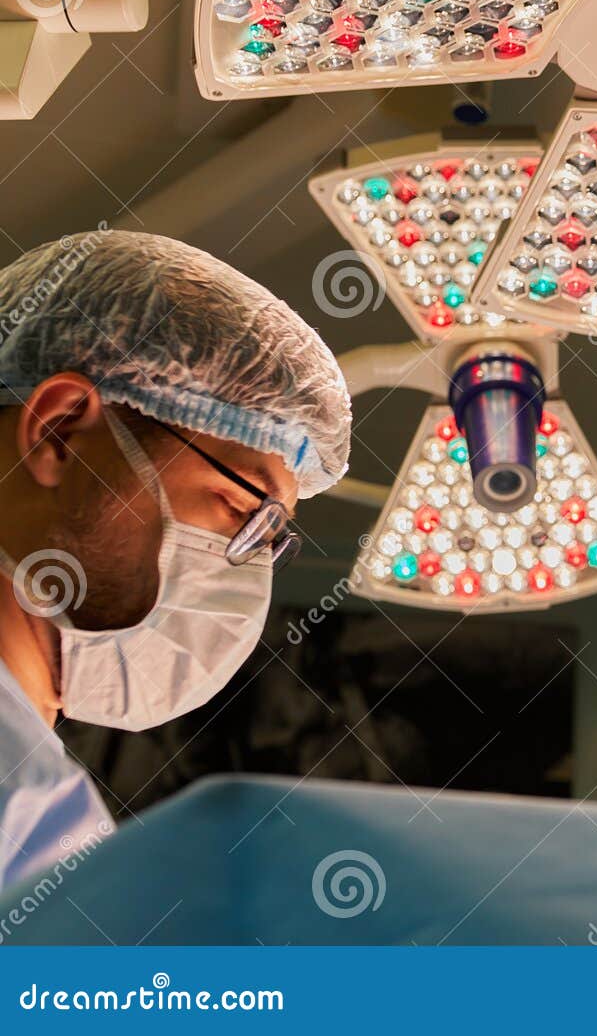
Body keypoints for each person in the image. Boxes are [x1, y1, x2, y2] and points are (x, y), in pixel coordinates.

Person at [0, 230, 352, 892]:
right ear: (60, 431)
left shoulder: (34, 788)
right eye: (243, 505)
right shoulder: (21, 804)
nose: (249, 565)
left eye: (272, 535)